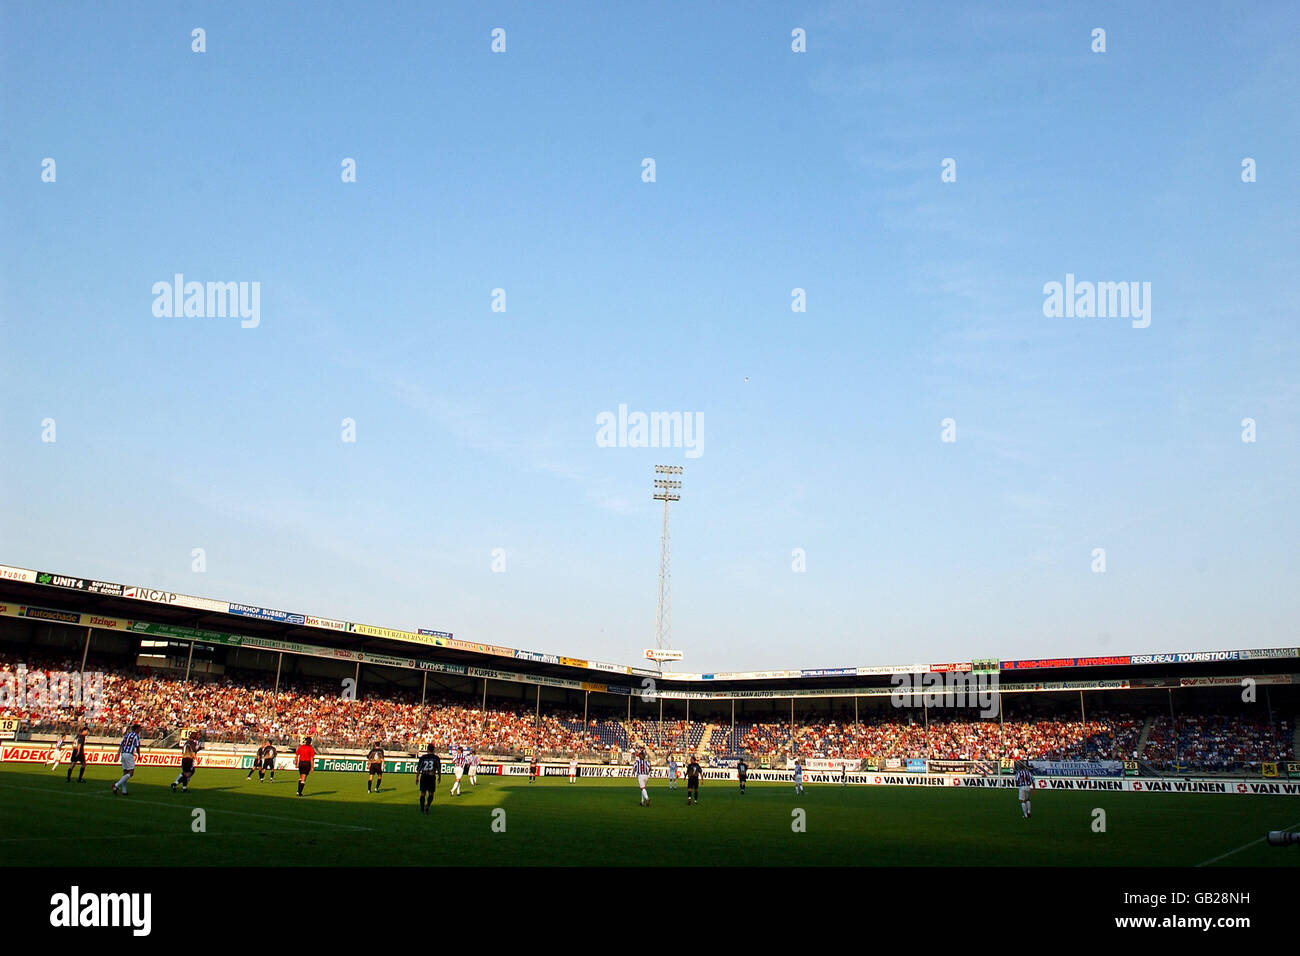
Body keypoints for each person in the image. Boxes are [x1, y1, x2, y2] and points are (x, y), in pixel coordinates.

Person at [111, 723, 141, 796]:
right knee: (131, 773)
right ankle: (116, 785)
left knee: (125, 772)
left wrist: (117, 755)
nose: (140, 730)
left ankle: (124, 791)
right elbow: (137, 746)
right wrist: (139, 755)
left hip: (123, 753)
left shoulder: (127, 735)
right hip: (129, 754)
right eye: (139, 728)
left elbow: (121, 745)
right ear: (136, 729)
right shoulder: (136, 736)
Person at [416, 744, 442, 815]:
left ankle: (422, 809)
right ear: (433, 750)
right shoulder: (436, 758)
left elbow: (419, 769)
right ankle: (427, 806)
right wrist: (440, 777)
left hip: (424, 776)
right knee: (431, 793)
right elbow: (439, 769)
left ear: (427, 749)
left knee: (423, 793)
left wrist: (417, 778)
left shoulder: (423, 757)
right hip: (431, 776)